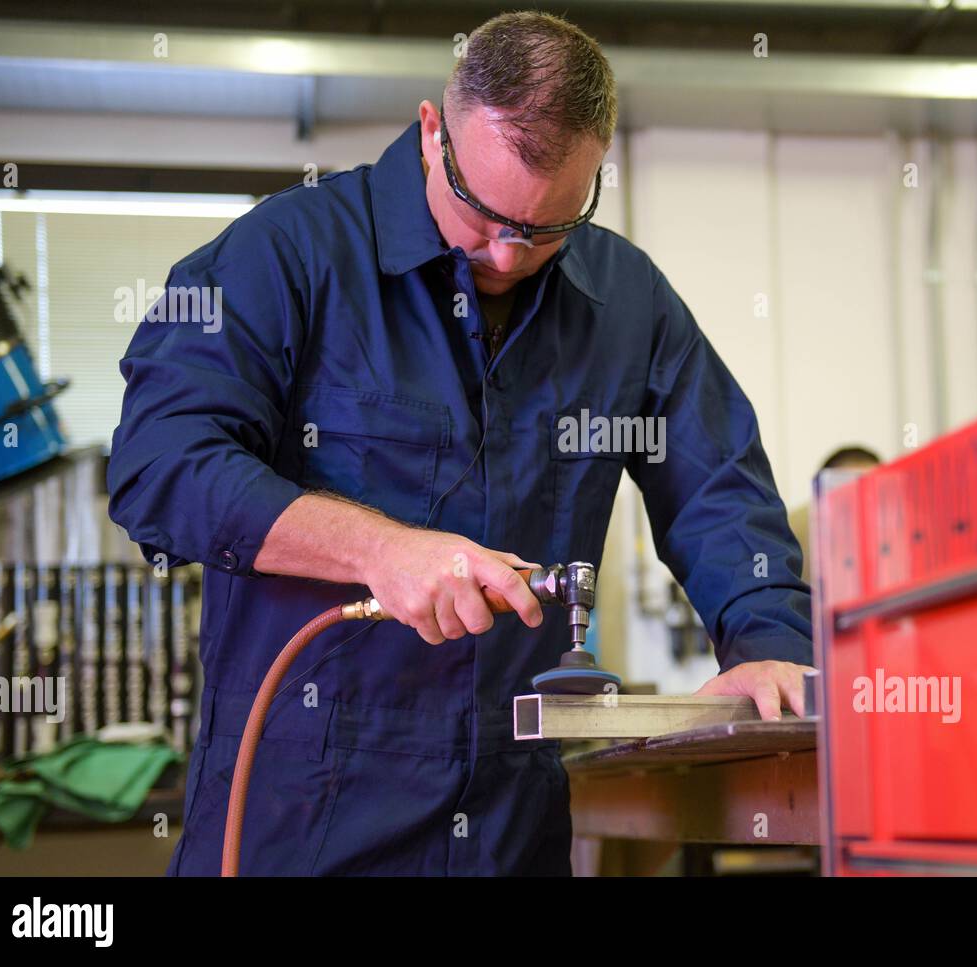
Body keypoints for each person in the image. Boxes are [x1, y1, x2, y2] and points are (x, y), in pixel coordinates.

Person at [108, 11, 812, 875]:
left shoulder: (628, 303)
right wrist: (381, 550)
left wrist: (769, 637)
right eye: (484, 213)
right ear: (432, 130)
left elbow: (717, 486)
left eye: (549, 225)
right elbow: (161, 466)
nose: (510, 254)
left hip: (510, 826)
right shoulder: (286, 257)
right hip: (298, 819)